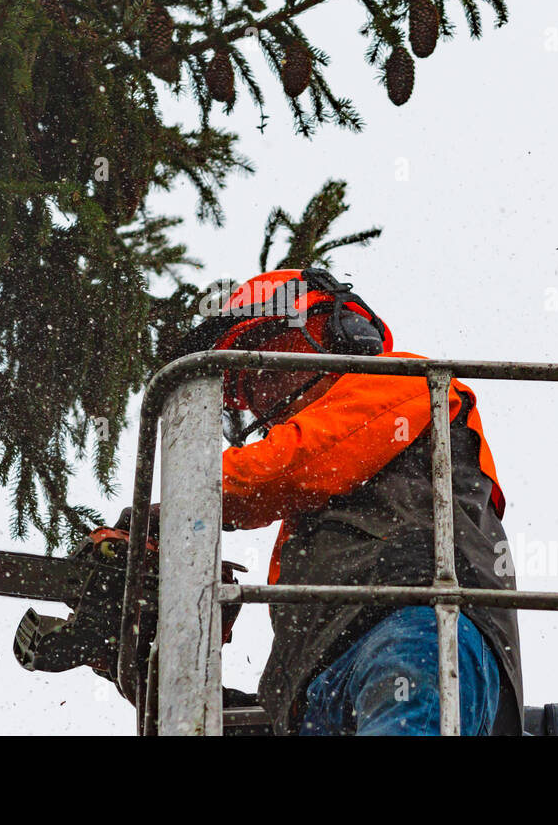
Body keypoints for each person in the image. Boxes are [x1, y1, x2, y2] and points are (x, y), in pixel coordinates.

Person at [173, 267, 524, 736]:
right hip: (323, 682)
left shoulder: (403, 381)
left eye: (255, 373)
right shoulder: (306, 522)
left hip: (413, 622)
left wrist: (179, 501)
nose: (252, 401)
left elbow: (298, 460)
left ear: (315, 334)